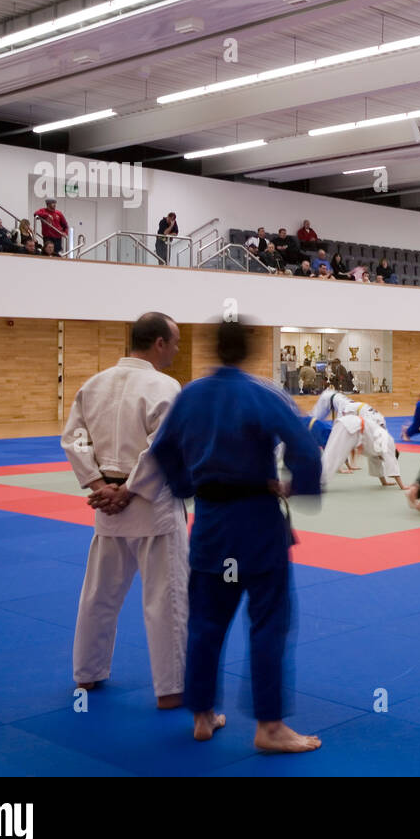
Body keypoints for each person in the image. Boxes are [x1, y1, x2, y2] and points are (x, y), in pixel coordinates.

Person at [149, 319, 324, 753]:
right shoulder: (261, 393)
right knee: (268, 624)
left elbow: (162, 451)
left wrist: (188, 487)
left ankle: (203, 714)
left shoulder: (190, 395)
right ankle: (269, 727)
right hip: (257, 526)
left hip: (211, 526)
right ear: (248, 350)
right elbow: (303, 448)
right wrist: (296, 485)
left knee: (207, 623)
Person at [61, 312, 187, 708]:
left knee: (99, 594)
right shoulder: (165, 386)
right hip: (152, 508)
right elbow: (163, 447)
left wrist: (100, 485)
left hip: (106, 507)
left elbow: (74, 440)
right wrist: (129, 490)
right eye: (176, 342)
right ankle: (170, 689)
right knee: (166, 600)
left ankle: (88, 673)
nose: (178, 349)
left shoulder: (93, 384)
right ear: (160, 344)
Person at [322, 412, 405, 489]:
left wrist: (384, 482)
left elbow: (376, 463)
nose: (383, 460)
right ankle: (318, 481)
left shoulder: (379, 448)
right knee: (335, 456)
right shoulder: (388, 444)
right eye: (384, 459)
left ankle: (316, 477)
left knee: (330, 453)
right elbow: (392, 463)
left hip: (345, 423)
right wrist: (402, 486)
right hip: (353, 427)